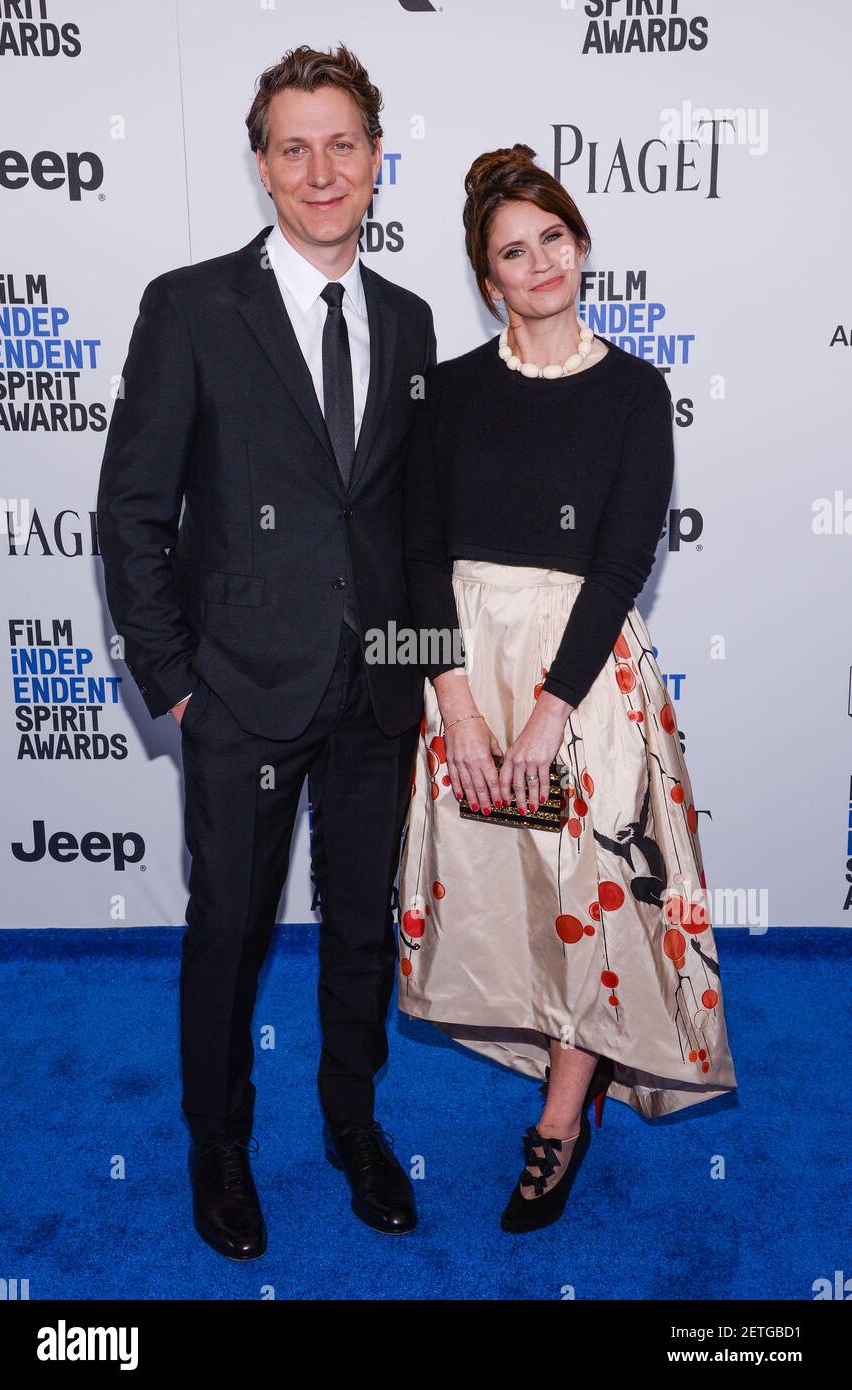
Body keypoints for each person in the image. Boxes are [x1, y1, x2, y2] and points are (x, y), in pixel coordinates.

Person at [97, 45, 435, 1257]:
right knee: (229, 930)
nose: (320, 168)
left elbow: (406, 518)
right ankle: (219, 1145)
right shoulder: (189, 306)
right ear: (260, 167)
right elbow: (132, 512)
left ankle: (352, 1124)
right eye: (292, 147)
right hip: (235, 690)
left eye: (341, 142)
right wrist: (177, 687)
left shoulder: (407, 319)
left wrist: (421, 667)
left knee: (358, 929)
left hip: (372, 698)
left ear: (375, 159)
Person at [397, 143, 737, 1234]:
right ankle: (562, 1090)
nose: (538, 262)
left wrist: (549, 711)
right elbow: (412, 556)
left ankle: (558, 1120)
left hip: (582, 683)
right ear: (486, 276)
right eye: (512, 250)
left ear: (580, 247)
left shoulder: (637, 390)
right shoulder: (443, 392)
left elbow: (621, 561)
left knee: (587, 902)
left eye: (553, 238)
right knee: (509, 899)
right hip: (463, 670)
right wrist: (454, 703)